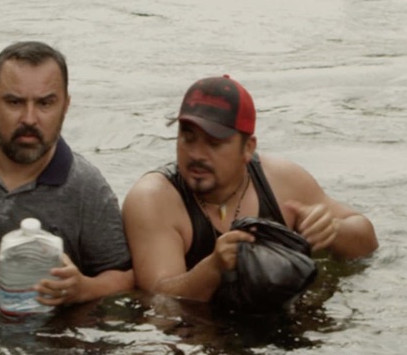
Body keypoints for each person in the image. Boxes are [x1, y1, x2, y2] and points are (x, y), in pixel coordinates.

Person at [121, 75, 378, 302]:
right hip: (203, 332)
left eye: (214, 142)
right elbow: (157, 299)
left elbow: (368, 243)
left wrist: (335, 231)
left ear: (248, 148)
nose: (197, 154)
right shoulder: (153, 199)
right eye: (188, 138)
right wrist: (212, 269)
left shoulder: (282, 181)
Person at [0, 41, 133, 310]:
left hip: (46, 333)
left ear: (65, 106)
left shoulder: (86, 187)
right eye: (14, 102)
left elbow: (126, 276)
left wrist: (82, 289)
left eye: (45, 103)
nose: (30, 119)